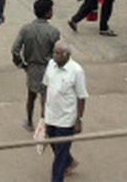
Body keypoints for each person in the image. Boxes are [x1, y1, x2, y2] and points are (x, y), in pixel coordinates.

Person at [11, 0, 61, 130]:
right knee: (46, 99)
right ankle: (45, 126)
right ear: (47, 13)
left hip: (32, 67)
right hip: (48, 68)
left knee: (31, 97)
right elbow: (58, 53)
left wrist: (21, 64)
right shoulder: (54, 32)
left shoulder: (26, 29)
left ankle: (29, 121)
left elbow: (15, 49)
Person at [43, 41, 87, 182]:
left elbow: (81, 97)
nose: (54, 55)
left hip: (66, 119)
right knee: (54, 144)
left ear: (67, 55)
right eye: (54, 52)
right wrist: (43, 112)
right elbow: (45, 87)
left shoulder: (76, 71)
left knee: (60, 155)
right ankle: (69, 161)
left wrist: (78, 119)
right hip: (50, 115)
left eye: (58, 53)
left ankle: (57, 179)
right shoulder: (51, 65)